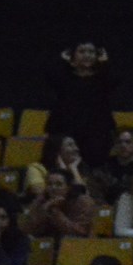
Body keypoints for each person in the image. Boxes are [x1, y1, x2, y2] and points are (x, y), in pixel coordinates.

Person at [44, 42, 116, 172]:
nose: (87, 55)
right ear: (73, 55)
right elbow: (51, 77)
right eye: (82, 51)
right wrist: (62, 62)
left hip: (96, 134)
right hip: (66, 130)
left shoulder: (102, 77)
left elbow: (113, 82)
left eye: (91, 52)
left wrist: (105, 64)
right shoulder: (64, 76)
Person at [20, 171, 95, 240]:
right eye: (49, 184)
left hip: (74, 245)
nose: (53, 188)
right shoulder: (41, 200)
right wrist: (44, 210)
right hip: (46, 244)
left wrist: (55, 210)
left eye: (58, 184)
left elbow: (80, 232)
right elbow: (28, 230)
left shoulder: (83, 201)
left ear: (68, 187)